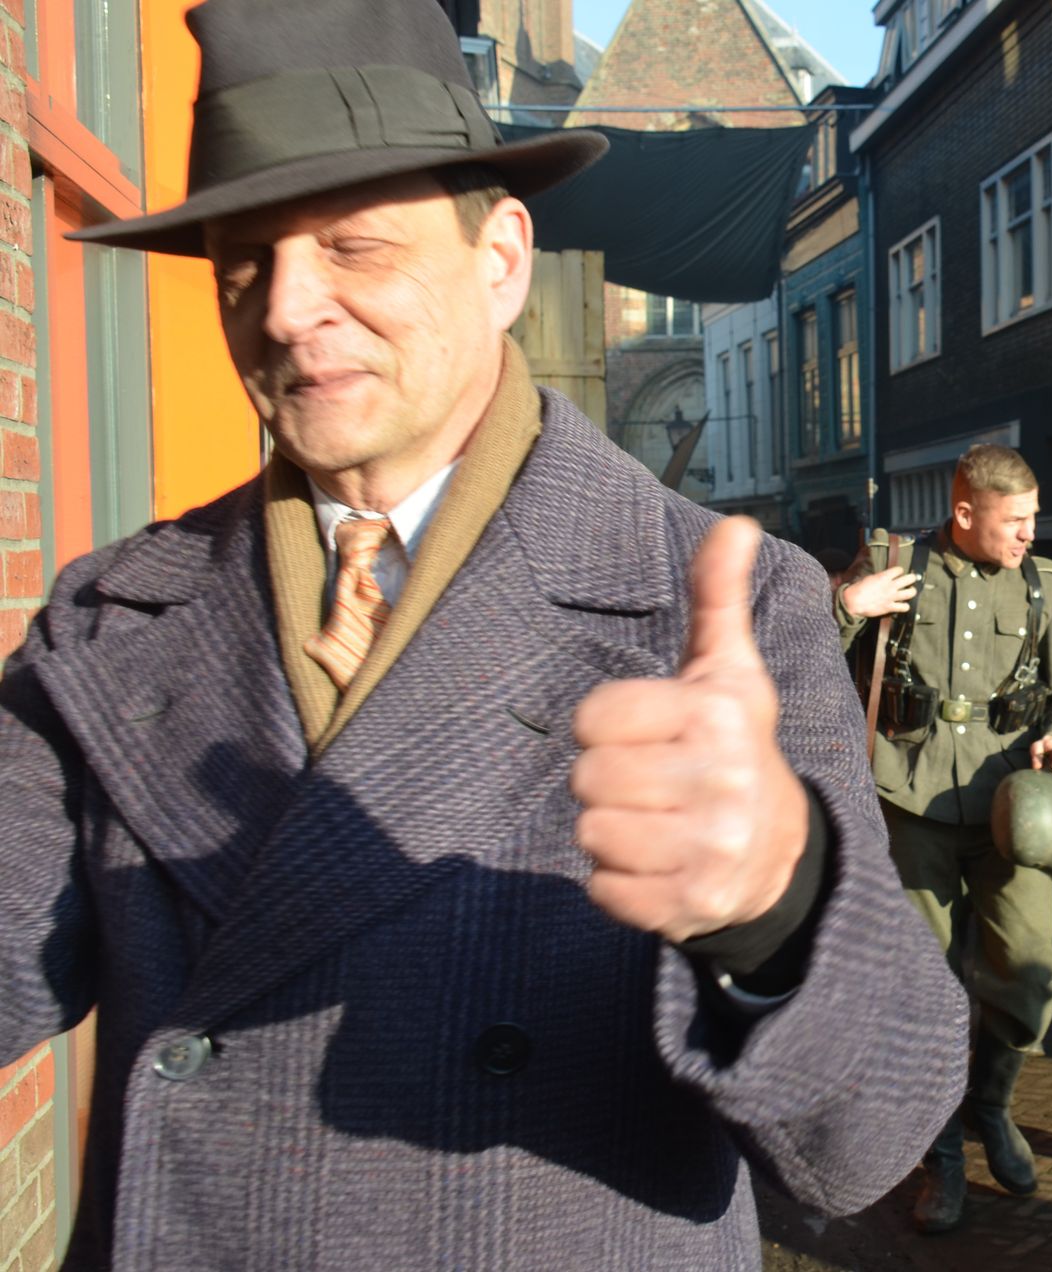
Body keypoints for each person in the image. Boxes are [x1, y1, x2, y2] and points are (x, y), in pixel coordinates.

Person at [0, 1, 968, 1265]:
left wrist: (775, 910)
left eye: (354, 246)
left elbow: (871, 1140)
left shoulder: (724, 600)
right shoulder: (111, 618)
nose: (287, 310)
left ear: (502, 259)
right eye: (244, 263)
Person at [835, 444, 1052, 1234]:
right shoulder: (894, 563)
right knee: (924, 985)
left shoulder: (1045, 584)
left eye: (1034, 518)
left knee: (1030, 965)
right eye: (1014, 521)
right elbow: (808, 657)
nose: (1029, 534)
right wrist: (848, 604)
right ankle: (940, 1153)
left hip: (1011, 803)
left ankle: (992, 1104)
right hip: (908, 799)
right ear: (965, 512)